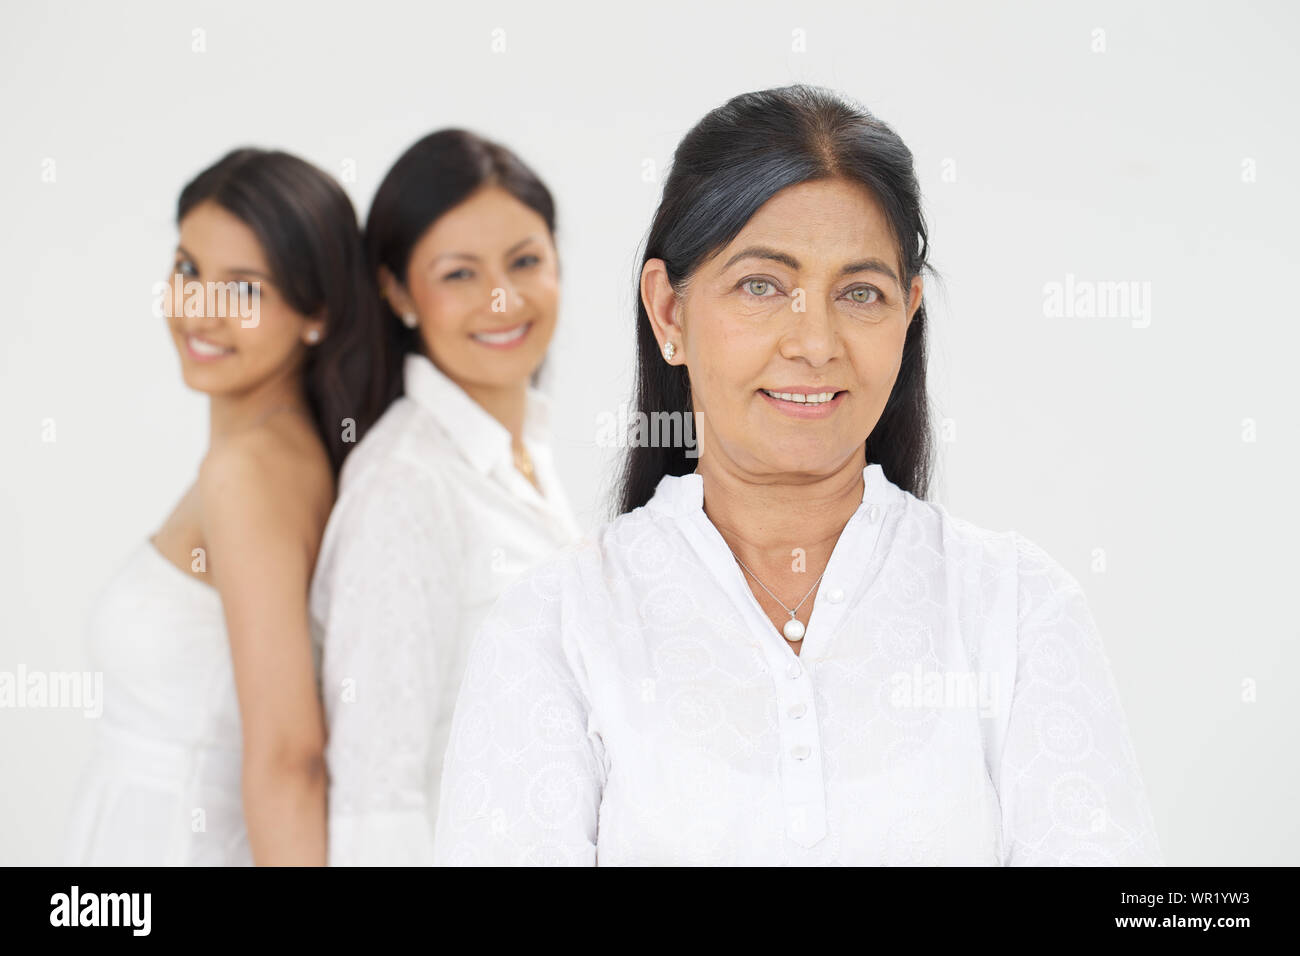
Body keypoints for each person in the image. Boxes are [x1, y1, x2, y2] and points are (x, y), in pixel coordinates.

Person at [433, 85, 1164, 865]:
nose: (814, 341)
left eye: (860, 293)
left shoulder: (1015, 609)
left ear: (907, 314)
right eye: (762, 286)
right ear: (669, 313)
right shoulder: (556, 628)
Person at [64, 148, 385, 865]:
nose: (197, 309)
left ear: (317, 313)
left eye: (243, 289)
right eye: (187, 270)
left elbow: (289, 756)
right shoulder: (271, 455)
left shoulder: (248, 473)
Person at [311, 129, 582, 865]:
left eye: (525, 261)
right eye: (459, 273)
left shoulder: (529, 456)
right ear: (398, 290)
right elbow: (376, 796)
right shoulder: (407, 486)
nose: (503, 298)